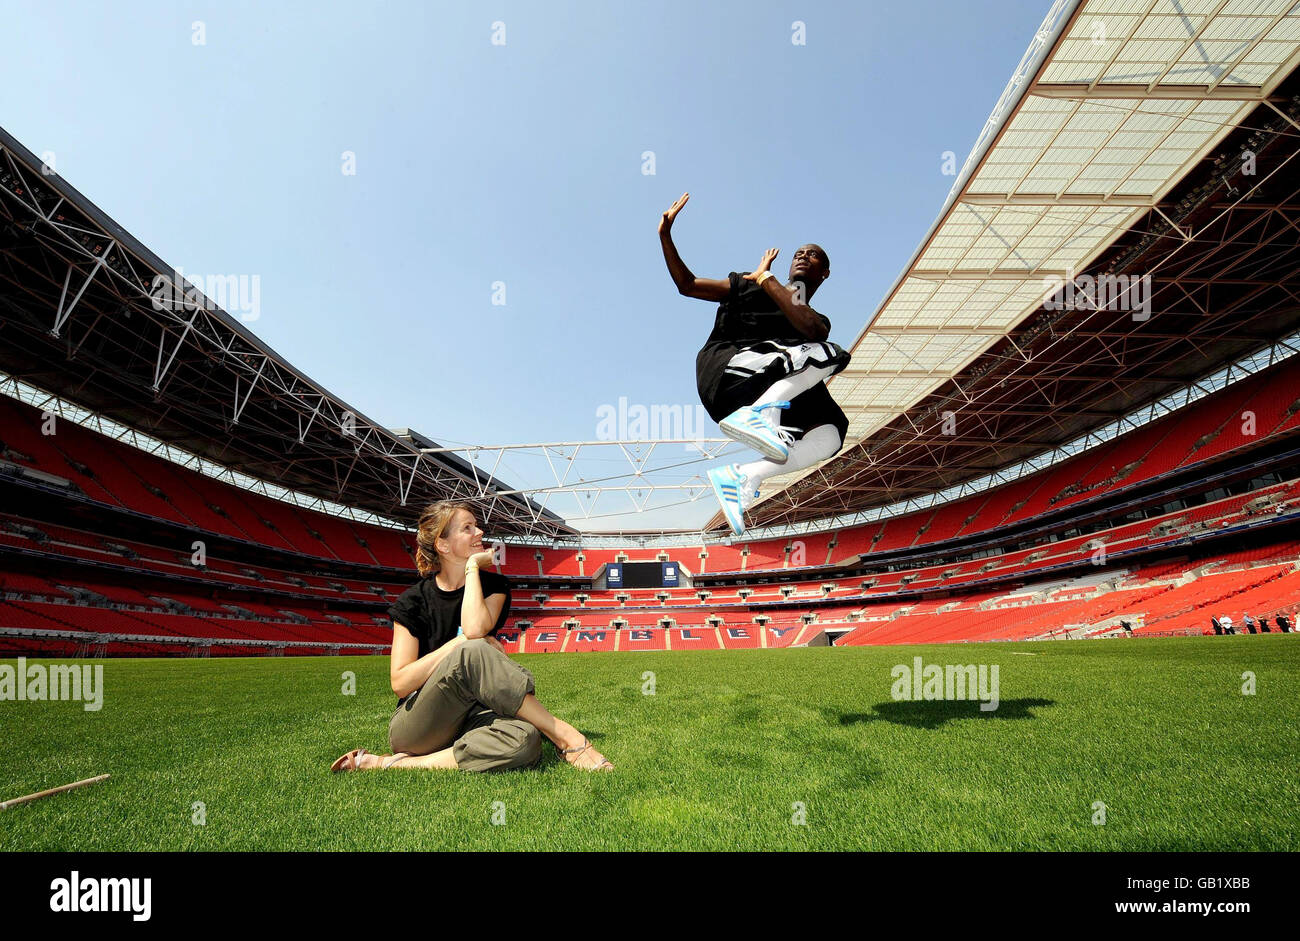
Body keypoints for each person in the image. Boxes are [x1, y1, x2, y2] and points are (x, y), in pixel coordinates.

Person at [331, 501, 612, 772]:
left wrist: (472, 570)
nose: (479, 533)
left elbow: (475, 625)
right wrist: (459, 641)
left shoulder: (495, 587)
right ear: (443, 545)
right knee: (473, 648)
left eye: (476, 526)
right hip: (418, 726)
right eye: (468, 528)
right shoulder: (413, 601)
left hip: (474, 716)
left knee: (525, 739)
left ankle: (397, 765)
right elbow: (401, 683)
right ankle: (565, 736)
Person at [659, 192, 851, 535]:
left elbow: (809, 327)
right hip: (725, 373)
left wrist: (769, 279)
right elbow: (687, 285)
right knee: (823, 352)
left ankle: (745, 475)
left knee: (831, 433)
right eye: (799, 253)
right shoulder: (749, 285)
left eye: (814, 255)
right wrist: (666, 235)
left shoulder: (813, 321)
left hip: (760, 385)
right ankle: (761, 415)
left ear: (825, 273)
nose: (804, 256)